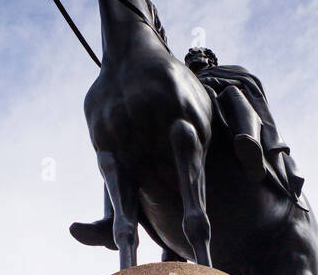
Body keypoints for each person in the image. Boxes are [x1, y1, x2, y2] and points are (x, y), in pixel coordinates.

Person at [69, 46, 305, 249]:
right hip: (187, 133)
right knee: (122, 147)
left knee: (232, 94)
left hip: (219, 122)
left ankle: (248, 142)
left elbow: (251, 89)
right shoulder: (179, 83)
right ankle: (110, 220)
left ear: (211, 60)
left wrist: (208, 86)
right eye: (190, 54)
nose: (193, 56)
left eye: (199, 54)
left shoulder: (228, 73)